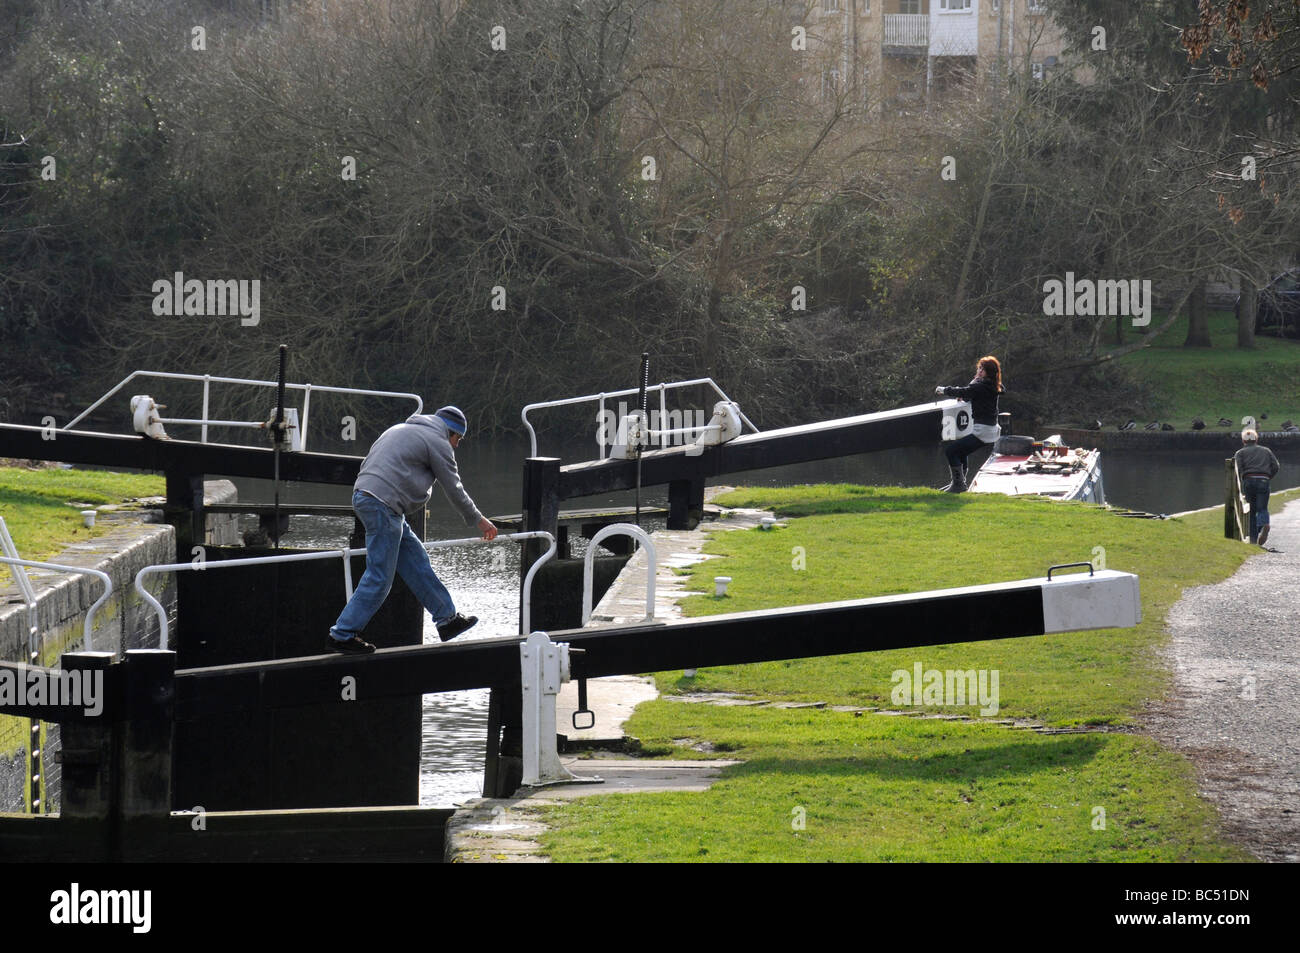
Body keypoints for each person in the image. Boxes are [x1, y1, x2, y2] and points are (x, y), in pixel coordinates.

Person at [328, 405, 498, 654]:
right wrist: (479, 519)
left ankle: (447, 619)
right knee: (380, 577)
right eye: (458, 439)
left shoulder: (399, 429)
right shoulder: (437, 441)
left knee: (416, 562)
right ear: (449, 432)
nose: (457, 445)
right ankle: (341, 635)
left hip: (370, 498)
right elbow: (454, 488)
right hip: (383, 504)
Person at [934, 355, 1004, 493]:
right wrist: (974, 383)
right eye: (979, 368)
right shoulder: (992, 386)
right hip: (989, 429)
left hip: (983, 431)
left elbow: (963, 391)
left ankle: (958, 484)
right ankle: (959, 484)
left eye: (981, 369)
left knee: (951, 451)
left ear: (988, 373)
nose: (978, 371)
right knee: (961, 451)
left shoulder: (981, 386)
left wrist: (943, 390)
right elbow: (969, 394)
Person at [1234, 428, 1280, 547]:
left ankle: (1253, 540)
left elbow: (1237, 470)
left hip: (1248, 481)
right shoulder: (1266, 451)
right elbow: (1276, 466)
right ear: (1256, 439)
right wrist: (1268, 477)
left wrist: (1240, 483)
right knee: (1262, 508)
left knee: (1252, 511)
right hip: (1264, 480)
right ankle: (1265, 524)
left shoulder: (1240, 453)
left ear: (1243, 440)